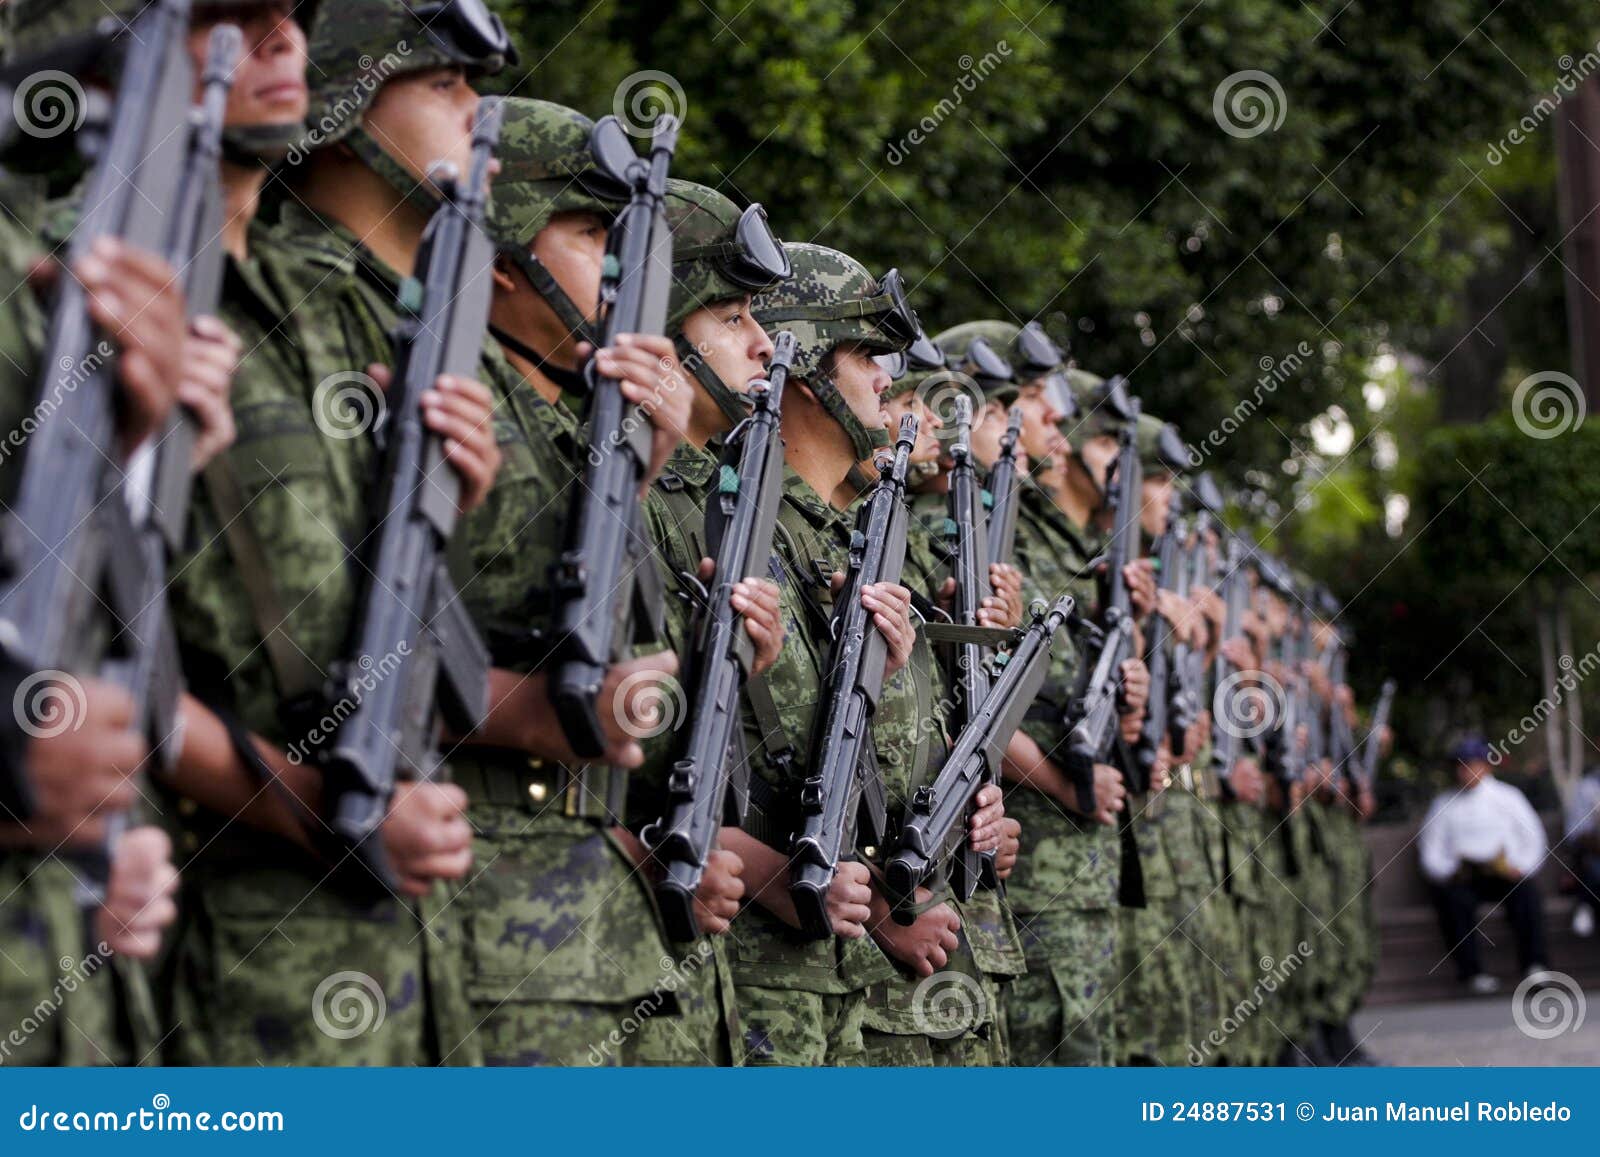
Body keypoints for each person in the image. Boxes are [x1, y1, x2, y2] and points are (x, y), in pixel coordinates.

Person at [1419, 736, 1551, 994]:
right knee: (1453, 902)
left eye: (1473, 764)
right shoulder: (1443, 804)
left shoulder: (1508, 797)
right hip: (1465, 879)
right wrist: (1448, 872)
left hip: (1506, 875)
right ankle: (1472, 972)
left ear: (1487, 766)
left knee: (1527, 896)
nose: (1468, 771)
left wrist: (1521, 867)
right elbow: (1430, 851)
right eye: (1462, 765)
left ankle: (1535, 965)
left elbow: (1535, 839)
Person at [1563, 766, 1600, 937]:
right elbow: (1575, 832)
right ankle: (1585, 904)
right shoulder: (1586, 788)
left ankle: (1585, 904)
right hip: (1593, 853)